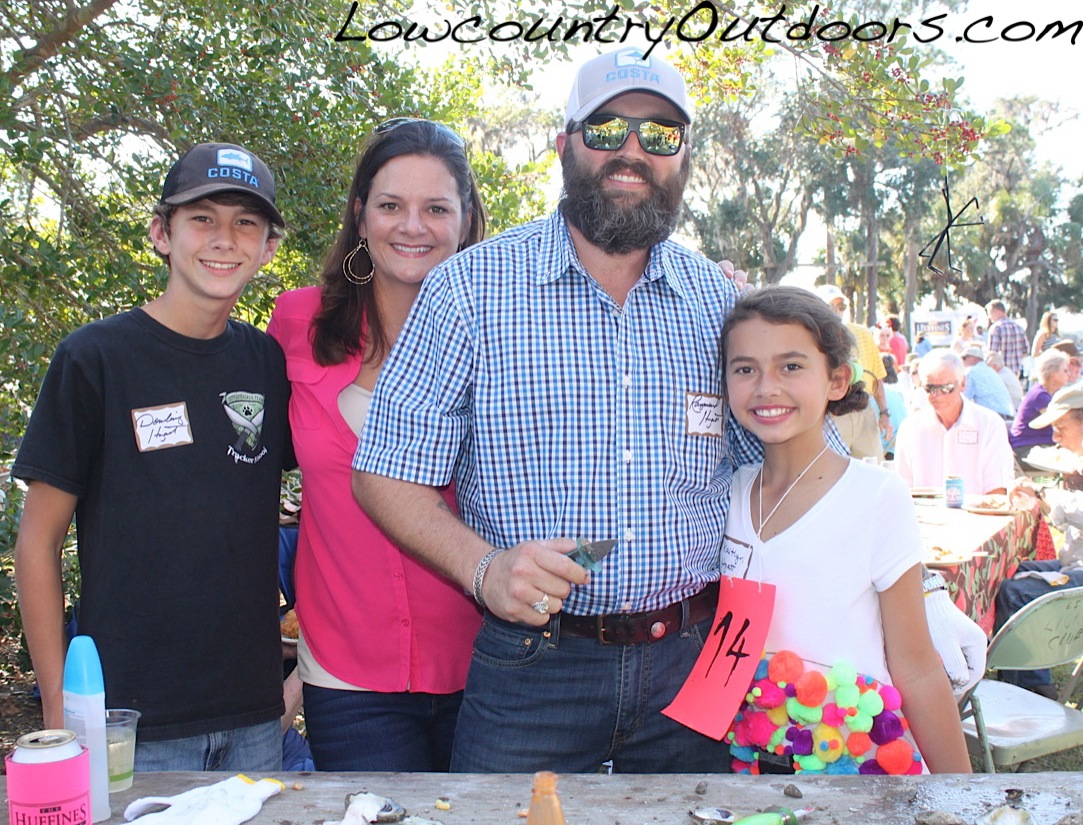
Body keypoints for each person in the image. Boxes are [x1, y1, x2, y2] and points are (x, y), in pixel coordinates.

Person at [353, 48, 770, 774]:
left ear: (686, 157)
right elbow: (384, 473)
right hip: (531, 667)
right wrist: (483, 568)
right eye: (605, 129)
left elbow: (787, 466)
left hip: (695, 663)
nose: (632, 151)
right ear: (563, 144)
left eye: (660, 135)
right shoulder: (469, 290)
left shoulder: (723, 303)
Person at [13, 143, 293, 771]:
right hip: (129, 721)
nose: (225, 239)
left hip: (253, 716)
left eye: (245, 222)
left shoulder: (267, 363)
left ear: (268, 247)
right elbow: (37, 541)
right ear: (161, 234)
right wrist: (60, 702)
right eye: (203, 218)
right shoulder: (94, 359)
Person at [265, 120, 486, 771]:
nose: (411, 226)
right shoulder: (297, 322)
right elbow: (237, 477)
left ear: (465, 219)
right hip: (346, 677)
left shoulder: (506, 335)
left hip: (491, 668)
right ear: (360, 216)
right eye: (391, 205)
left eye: (435, 208)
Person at [718, 286, 970, 774]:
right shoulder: (725, 494)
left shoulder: (876, 495)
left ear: (836, 380)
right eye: (745, 368)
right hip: (749, 758)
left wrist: (962, 796)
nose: (766, 386)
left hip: (854, 762)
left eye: (791, 366)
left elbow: (916, 666)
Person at [996, 384, 1083, 698]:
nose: (1056, 438)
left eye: (1061, 428)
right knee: (1003, 571)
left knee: (1016, 591)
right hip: (1074, 562)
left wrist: (1044, 496)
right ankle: (1022, 678)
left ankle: (1031, 687)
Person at [894, 348, 1014, 495]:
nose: (937, 395)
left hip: (979, 516)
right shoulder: (909, 428)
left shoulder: (990, 424)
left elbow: (997, 489)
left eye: (946, 388)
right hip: (924, 517)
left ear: (962, 384)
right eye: (929, 388)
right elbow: (901, 490)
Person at [818, 286, 891, 459]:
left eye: (841, 305)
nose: (837, 311)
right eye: (830, 305)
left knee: (872, 470)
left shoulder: (863, 334)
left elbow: (877, 379)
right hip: (830, 413)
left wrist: (884, 413)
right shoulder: (812, 338)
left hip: (864, 410)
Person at [1010, 348, 1071, 462]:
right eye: (1065, 371)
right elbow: (1059, 424)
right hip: (1025, 450)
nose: (1069, 374)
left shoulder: (1046, 393)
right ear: (1053, 374)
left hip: (1037, 447)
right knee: (1071, 460)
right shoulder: (1040, 396)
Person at [960, 342, 1014, 419]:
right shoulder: (990, 371)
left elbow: (964, 399)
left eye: (964, 358)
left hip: (992, 417)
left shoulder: (971, 371)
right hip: (1008, 416)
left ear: (975, 359)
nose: (962, 361)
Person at [985, 299, 1028, 379]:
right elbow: (1025, 351)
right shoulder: (1019, 327)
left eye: (990, 313)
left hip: (1001, 373)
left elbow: (992, 354)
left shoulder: (996, 328)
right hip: (1016, 374)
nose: (989, 317)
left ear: (997, 311)